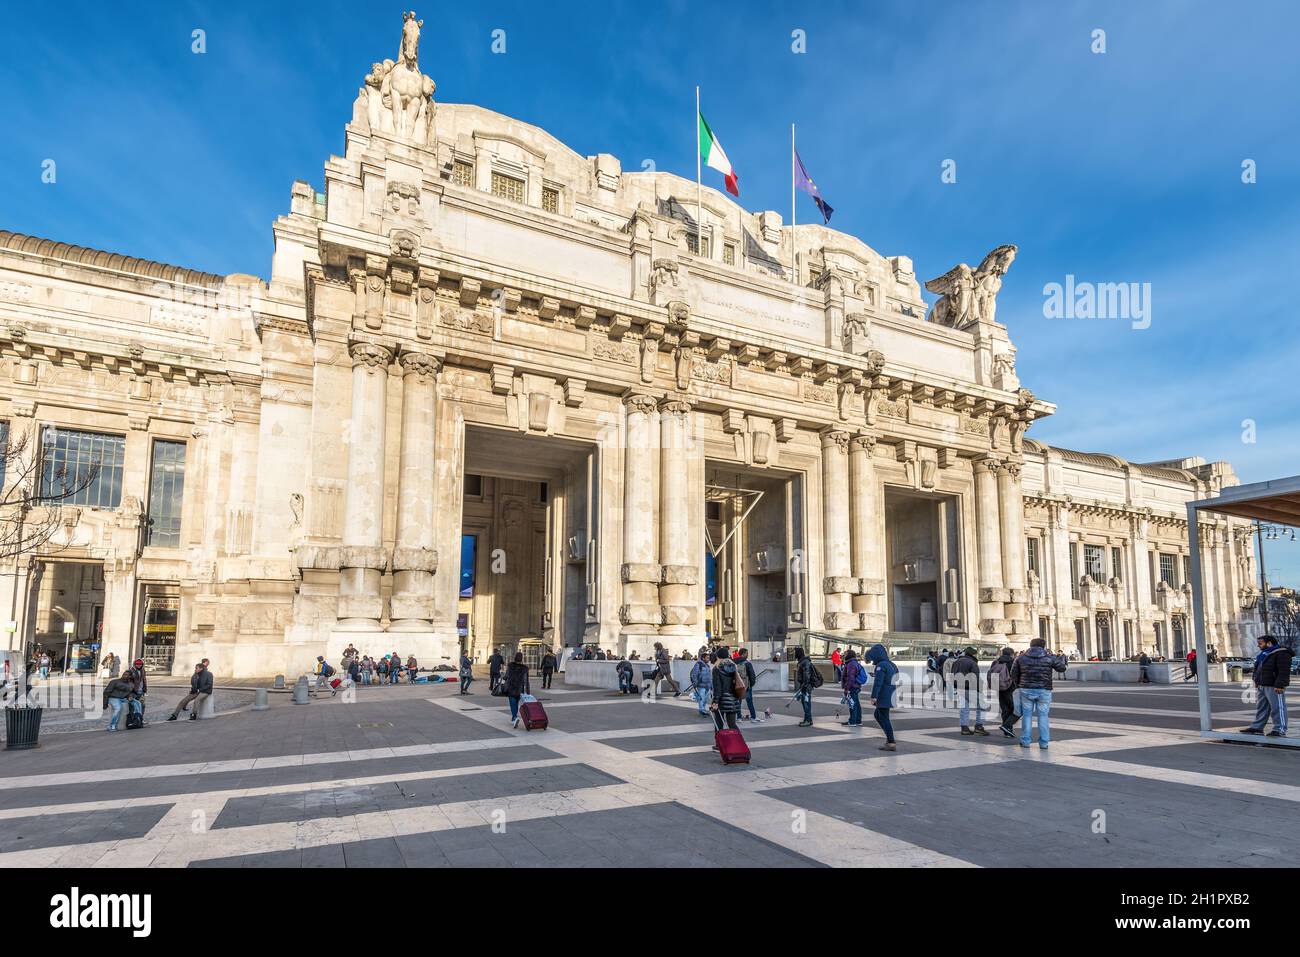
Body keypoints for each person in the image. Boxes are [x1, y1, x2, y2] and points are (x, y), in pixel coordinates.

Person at [1010, 637, 1068, 749]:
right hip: (1044, 689)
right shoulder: (1049, 657)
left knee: (1027, 715)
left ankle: (1025, 741)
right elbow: (1062, 668)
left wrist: (1019, 685)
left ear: (1031, 645)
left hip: (1026, 689)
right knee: (1043, 716)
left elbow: (1013, 673)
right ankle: (1044, 743)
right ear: (1043, 646)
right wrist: (1056, 658)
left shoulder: (1021, 657)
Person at [1240, 635, 1292, 738]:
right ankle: (1257, 727)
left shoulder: (1281, 653)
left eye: (1260, 643)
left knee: (1278, 708)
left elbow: (1284, 671)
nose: (1258, 645)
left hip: (1274, 686)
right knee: (1262, 708)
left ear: (1269, 643)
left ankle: (1280, 729)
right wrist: (1256, 680)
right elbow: (1259, 668)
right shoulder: (1264, 654)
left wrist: (1280, 685)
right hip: (1262, 685)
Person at [866, 643, 898, 751]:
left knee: (884, 718)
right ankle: (889, 739)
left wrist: (874, 696)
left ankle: (891, 741)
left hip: (883, 695)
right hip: (891, 693)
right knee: (878, 715)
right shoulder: (891, 664)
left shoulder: (880, 666)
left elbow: (878, 683)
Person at [950, 646, 988, 735]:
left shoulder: (956, 662)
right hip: (971, 689)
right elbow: (976, 678)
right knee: (982, 706)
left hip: (960, 688)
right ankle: (979, 726)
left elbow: (951, 675)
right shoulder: (972, 663)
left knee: (964, 707)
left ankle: (964, 728)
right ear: (973, 654)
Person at [710, 646, 742, 735]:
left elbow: (717, 687)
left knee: (718, 724)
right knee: (732, 724)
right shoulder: (733, 667)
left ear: (718, 656)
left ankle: (719, 745)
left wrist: (715, 701)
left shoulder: (716, 668)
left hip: (722, 700)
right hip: (733, 698)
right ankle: (739, 743)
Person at [988, 647, 1019, 738]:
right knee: (1016, 709)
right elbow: (1016, 675)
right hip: (1010, 688)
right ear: (1012, 654)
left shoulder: (996, 662)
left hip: (999, 688)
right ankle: (1007, 726)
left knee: (1005, 709)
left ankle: (1007, 731)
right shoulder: (1013, 662)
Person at [839, 648, 867, 727]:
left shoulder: (851, 664)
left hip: (852, 686)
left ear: (849, 655)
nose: (844, 655)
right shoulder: (853, 663)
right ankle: (858, 720)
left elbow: (850, 678)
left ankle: (852, 721)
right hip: (855, 686)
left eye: (846, 654)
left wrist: (847, 689)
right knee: (856, 703)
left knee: (852, 704)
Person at [503, 652, 530, 728]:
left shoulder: (510, 665)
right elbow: (526, 680)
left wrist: (503, 678)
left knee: (512, 704)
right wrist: (528, 691)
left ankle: (514, 717)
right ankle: (514, 717)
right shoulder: (524, 668)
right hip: (519, 689)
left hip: (511, 688)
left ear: (515, 657)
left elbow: (506, 676)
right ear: (521, 659)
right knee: (516, 703)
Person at [793, 647, 818, 728]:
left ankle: (807, 720)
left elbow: (806, 675)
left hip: (806, 686)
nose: (794, 654)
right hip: (805, 685)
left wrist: (803, 685)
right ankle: (808, 719)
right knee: (805, 702)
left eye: (795, 652)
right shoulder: (802, 661)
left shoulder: (805, 662)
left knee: (806, 703)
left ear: (798, 653)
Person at [736, 647, 760, 722]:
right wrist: (751, 684)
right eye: (747, 653)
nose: (747, 655)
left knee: (738, 702)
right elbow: (752, 675)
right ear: (743, 654)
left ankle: (739, 717)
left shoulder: (734, 662)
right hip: (747, 685)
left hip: (738, 685)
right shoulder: (747, 663)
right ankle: (753, 717)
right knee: (749, 701)